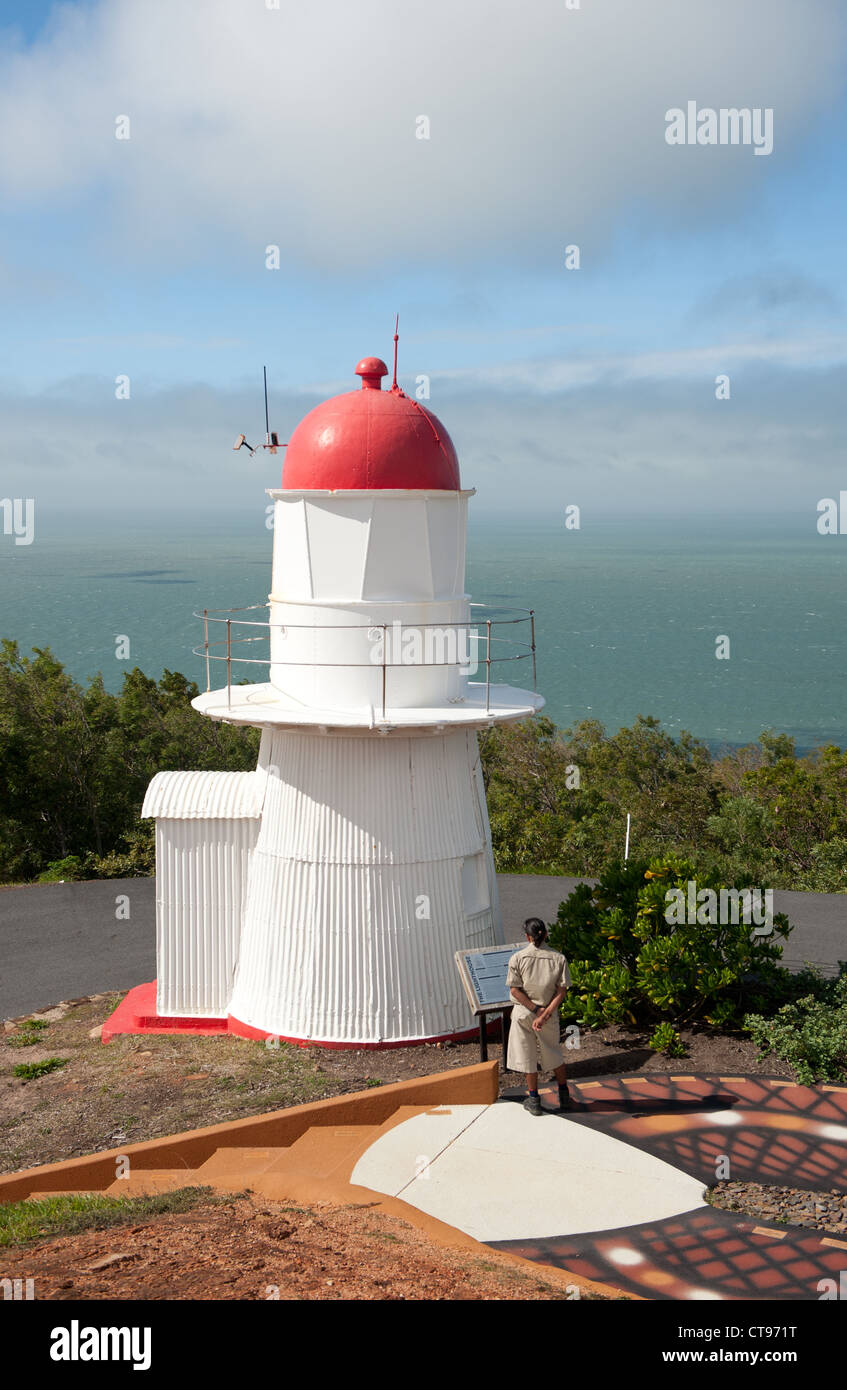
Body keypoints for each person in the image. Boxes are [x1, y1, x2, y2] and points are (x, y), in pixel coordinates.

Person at [506, 917, 573, 1116]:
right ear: (546, 934)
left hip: (524, 1012)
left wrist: (535, 1011)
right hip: (548, 1012)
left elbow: (515, 990)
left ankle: (534, 1098)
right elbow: (561, 991)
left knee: (527, 1056)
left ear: (527, 936)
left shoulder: (518, 958)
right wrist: (545, 1014)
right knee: (553, 1052)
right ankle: (564, 1094)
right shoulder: (558, 958)